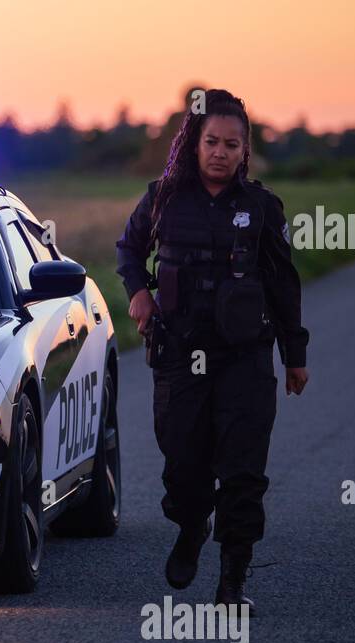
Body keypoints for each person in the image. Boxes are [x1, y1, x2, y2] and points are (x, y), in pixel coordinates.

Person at [115, 89, 310, 613]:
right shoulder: (162, 198)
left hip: (245, 356)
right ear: (193, 144)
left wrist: (295, 354)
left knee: (243, 469)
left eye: (232, 144)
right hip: (179, 355)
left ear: (245, 150)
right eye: (212, 142)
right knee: (183, 464)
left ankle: (233, 581)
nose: (221, 152)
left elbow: (284, 284)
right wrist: (139, 294)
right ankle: (190, 524)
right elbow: (129, 250)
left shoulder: (262, 208)